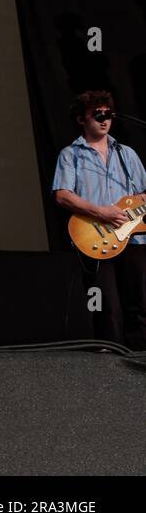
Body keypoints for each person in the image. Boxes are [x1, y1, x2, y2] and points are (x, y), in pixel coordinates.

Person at [53, 89, 146, 349]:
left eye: (108, 115)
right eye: (97, 115)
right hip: (95, 237)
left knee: (140, 301)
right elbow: (62, 196)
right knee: (107, 305)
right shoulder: (70, 155)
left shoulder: (126, 154)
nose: (104, 120)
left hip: (134, 238)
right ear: (82, 119)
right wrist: (101, 212)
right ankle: (110, 364)